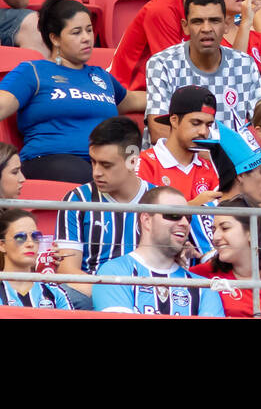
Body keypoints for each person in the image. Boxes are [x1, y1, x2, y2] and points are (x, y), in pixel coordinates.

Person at [0, 0, 131, 182]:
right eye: (76, 32)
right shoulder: (34, 71)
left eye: (89, 30)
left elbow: (133, 100)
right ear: (55, 38)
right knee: (94, 180)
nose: (87, 38)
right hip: (50, 160)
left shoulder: (101, 77)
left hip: (102, 163)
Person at [55, 116, 209, 295]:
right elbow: (68, 272)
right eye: (93, 162)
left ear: (133, 161)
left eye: (106, 165)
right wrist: (114, 299)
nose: (96, 172)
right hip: (94, 296)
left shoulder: (161, 200)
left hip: (152, 297)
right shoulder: (77, 199)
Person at [108, 0, 238, 96]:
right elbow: (173, 75)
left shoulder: (215, 14)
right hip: (131, 93)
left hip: (178, 94)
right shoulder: (161, 10)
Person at [144, 0, 261, 142]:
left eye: (214, 20)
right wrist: (216, 156)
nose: (206, 29)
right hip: (180, 163)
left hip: (235, 162)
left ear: (226, 25)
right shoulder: (162, 64)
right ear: (185, 26)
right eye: (197, 21)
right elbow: (159, 132)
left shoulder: (245, 64)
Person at [92, 186, 225, 315]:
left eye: (188, 217)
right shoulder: (113, 273)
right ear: (146, 220)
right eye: (174, 214)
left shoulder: (204, 287)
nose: (185, 223)